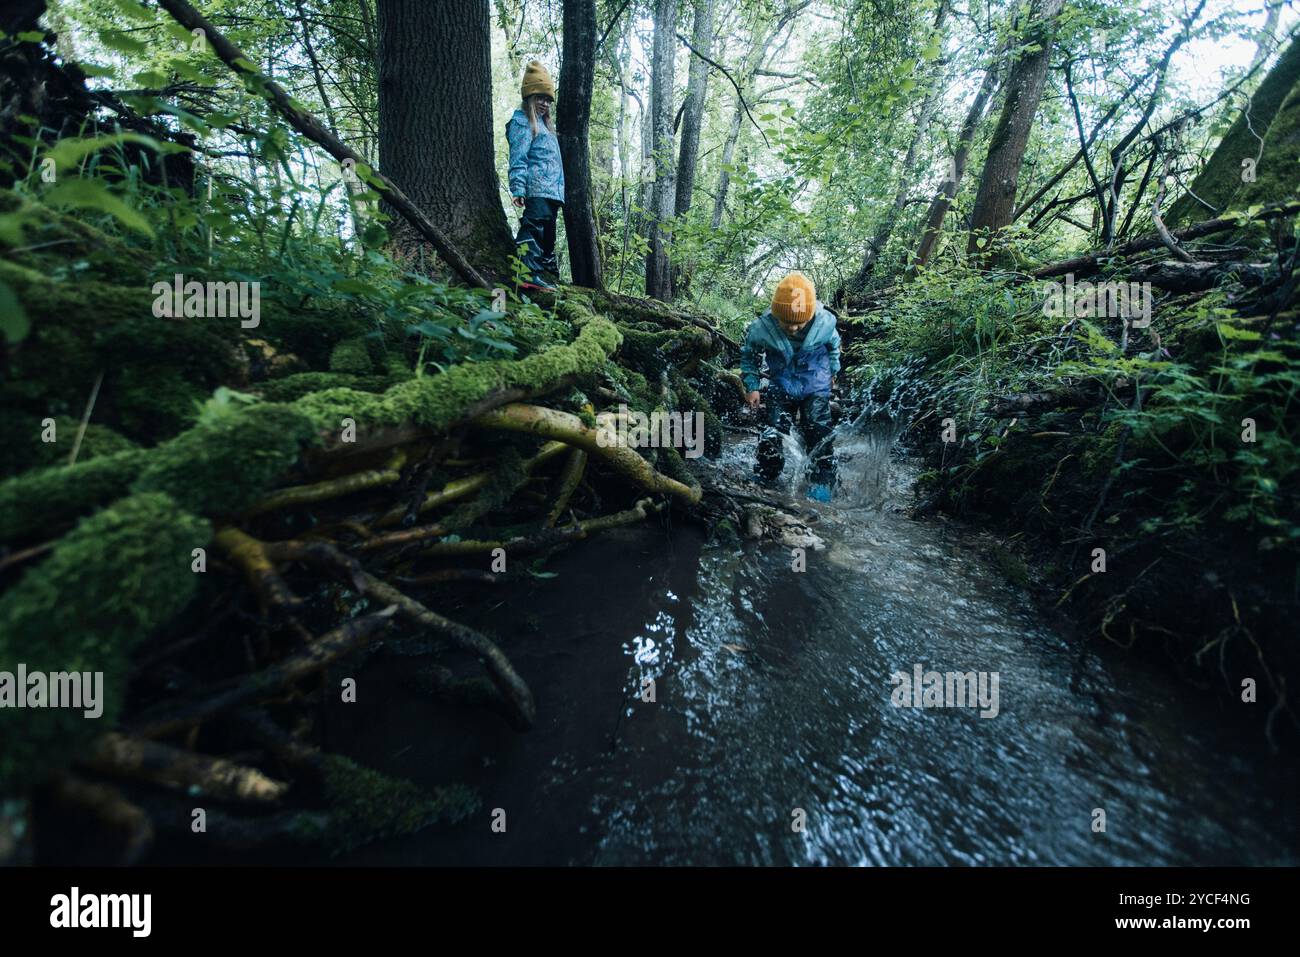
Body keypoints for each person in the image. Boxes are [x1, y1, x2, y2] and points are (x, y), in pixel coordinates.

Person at [739, 271, 842, 501]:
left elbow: (834, 347)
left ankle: (822, 479)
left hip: (815, 382)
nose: (793, 328)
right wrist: (752, 385)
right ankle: (767, 472)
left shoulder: (825, 324)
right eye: (786, 323)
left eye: (799, 323)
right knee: (773, 428)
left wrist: (834, 371)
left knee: (817, 427)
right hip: (782, 382)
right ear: (776, 315)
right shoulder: (762, 328)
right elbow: (749, 356)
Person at [506, 60, 565, 290]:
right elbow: (518, 158)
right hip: (537, 188)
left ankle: (546, 272)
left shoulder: (545, 126)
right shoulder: (522, 122)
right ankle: (525, 273)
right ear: (529, 97)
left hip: (552, 192)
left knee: (548, 234)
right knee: (534, 226)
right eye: (540, 97)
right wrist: (518, 188)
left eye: (548, 99)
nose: (544, 103)